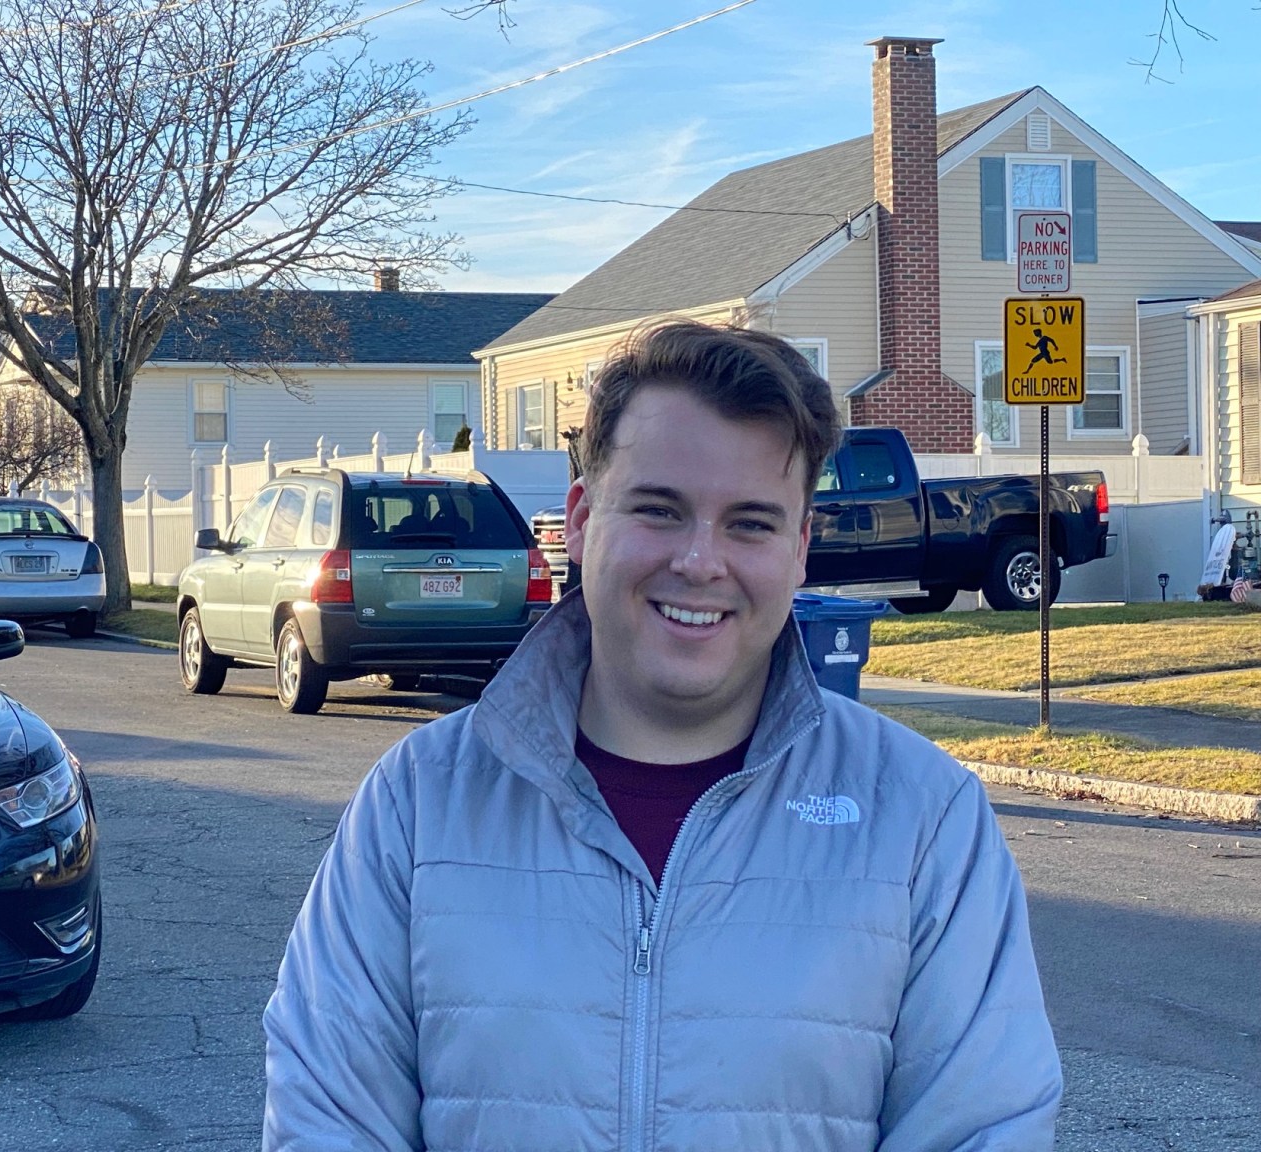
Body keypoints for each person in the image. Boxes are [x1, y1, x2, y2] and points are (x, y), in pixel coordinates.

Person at [263, 320, 1062, 1151]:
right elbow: (329, 1120)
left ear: (799, 550)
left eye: (750, 523)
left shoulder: (924, 821)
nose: (700, 561)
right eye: (659, 509)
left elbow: (983, 1128)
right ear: (579, 518)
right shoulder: (419, 806)